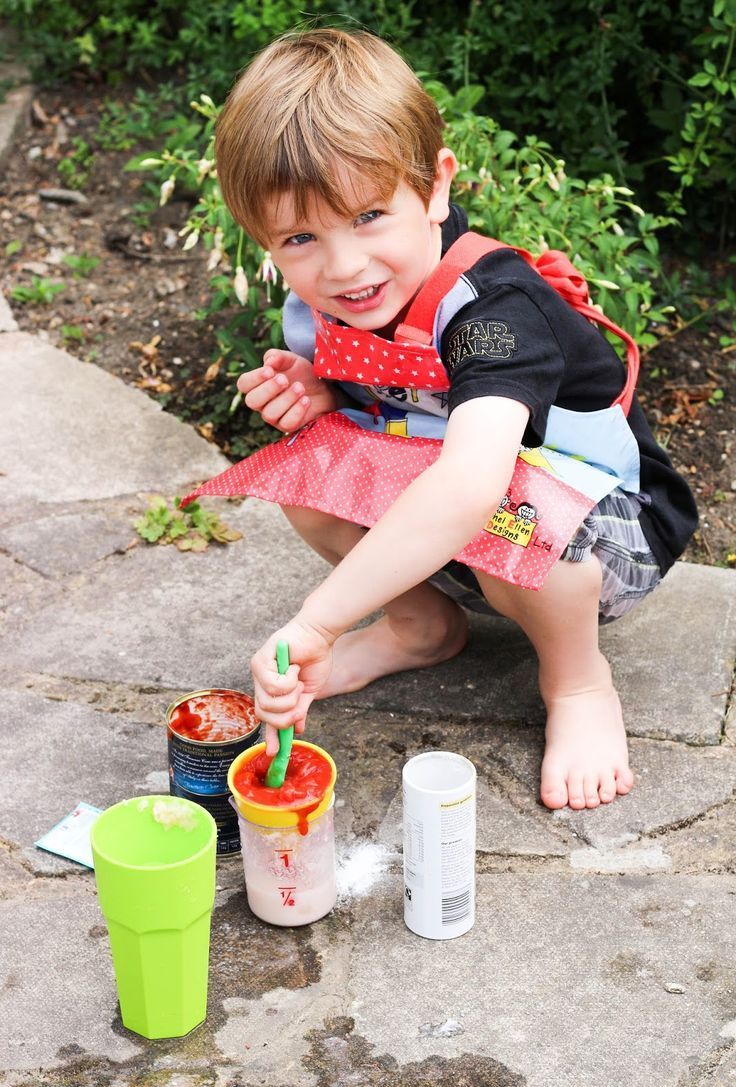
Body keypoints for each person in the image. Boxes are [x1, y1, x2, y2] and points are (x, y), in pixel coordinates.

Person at [197, 27, 697, 811]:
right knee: (308, 470)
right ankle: (420, 625)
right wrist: (328, 398)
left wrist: (319, 621)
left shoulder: (494, 310)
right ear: (264, 239)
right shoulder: (351, 295)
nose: (344, 265)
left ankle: (577, 683)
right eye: (300, 238)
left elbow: (469, 481)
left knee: (498, 515)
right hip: (488, 507)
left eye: (367, 216)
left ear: (434, 188)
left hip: (610, 532)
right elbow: (408, 401)